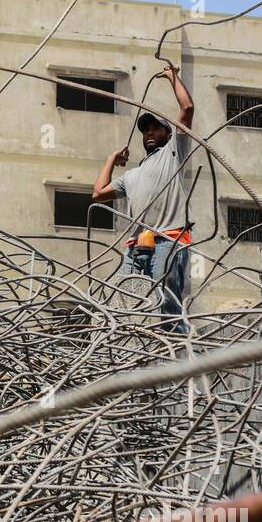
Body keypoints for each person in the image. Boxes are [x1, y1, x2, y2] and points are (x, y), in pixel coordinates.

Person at [91, 63, 196, 333]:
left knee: (166, 308)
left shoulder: (174, 153)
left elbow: (187, 110)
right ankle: (139, 361)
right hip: (135, 248)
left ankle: (175, 364)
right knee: (129, 306)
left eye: (155, 129)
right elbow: (98, 193)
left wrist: (173, 77)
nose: (149, 133)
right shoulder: (132, 175)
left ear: (167, 133)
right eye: (145, 130)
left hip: (169, 240)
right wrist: (111, 159)